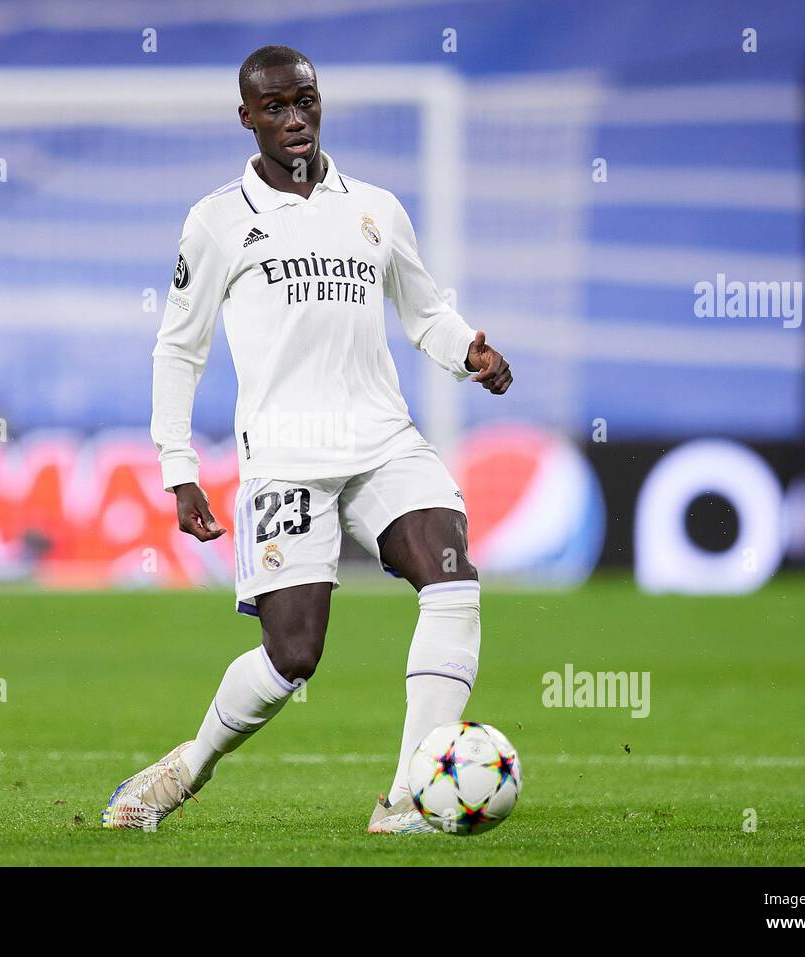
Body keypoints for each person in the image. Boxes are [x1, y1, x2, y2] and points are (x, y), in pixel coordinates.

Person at [103, 45, 511, 833]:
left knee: (454, 580)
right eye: (277, 106)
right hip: (286, 456)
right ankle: (188, 765)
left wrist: (470, 353)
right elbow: (178, 348)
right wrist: (178, 465)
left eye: (307, 101)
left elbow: (424, 312)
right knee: (294, 656)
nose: (296, 119)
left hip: (385, 439)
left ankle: (408, 798)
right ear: (247, 117)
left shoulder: (377, 209)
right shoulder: (217, 220)